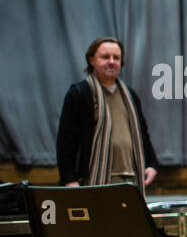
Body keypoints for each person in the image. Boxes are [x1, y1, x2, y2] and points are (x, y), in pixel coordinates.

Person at [57, 37, 159, 191]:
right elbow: (66, 141)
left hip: (131, 178)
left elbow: (143, 134)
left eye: (116, 58)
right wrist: (69, 179)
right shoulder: (79, 93)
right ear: (91, 60)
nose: (111, 61)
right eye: (105, 57)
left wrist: (151, 164)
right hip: (94, 179)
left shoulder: (130, 95)